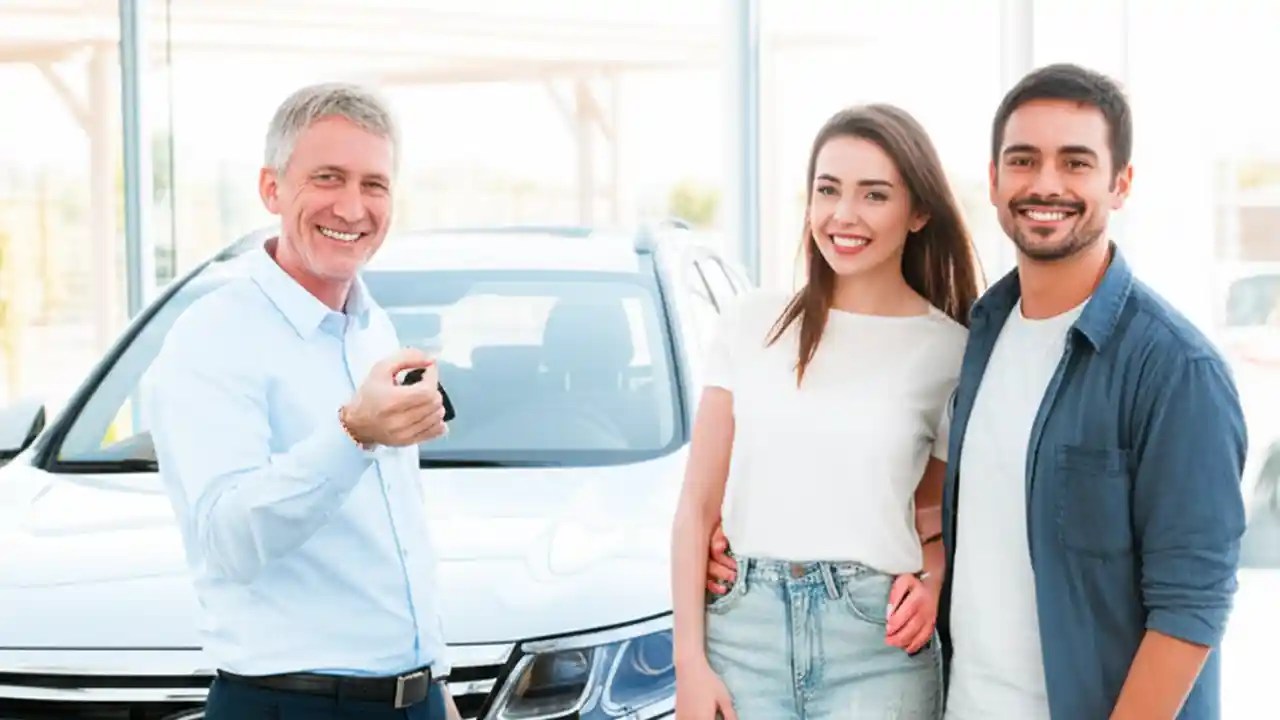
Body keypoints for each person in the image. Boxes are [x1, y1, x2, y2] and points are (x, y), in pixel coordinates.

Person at [708, 64, 1249, 719]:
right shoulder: (982, 334)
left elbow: (1191, 606)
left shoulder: (1174, 368)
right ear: (993, 181)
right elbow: (945, 506)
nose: (1046, 183)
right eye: (1024, 160)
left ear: (1122, 183)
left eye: (1076, 162)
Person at [149, 82, 461, 719]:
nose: (352, 207)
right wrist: (353, 433)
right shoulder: (213, 337)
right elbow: (228, 539)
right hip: (292, 705)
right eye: (328, 177)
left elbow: (392, 541)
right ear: (272, 189)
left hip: (415, 699)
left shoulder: (373, 327)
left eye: (374, 184)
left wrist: (437, 688)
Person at [672, 104, 981, 719]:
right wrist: (690, 667)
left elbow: (933, 513)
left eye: (874, 195)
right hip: (740, 635)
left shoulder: (951, 349)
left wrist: (933, 580)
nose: (844, 214)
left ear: (918, 212)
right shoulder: (749, 322)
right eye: (828, 190)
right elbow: (696, 507)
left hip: (877, 642)